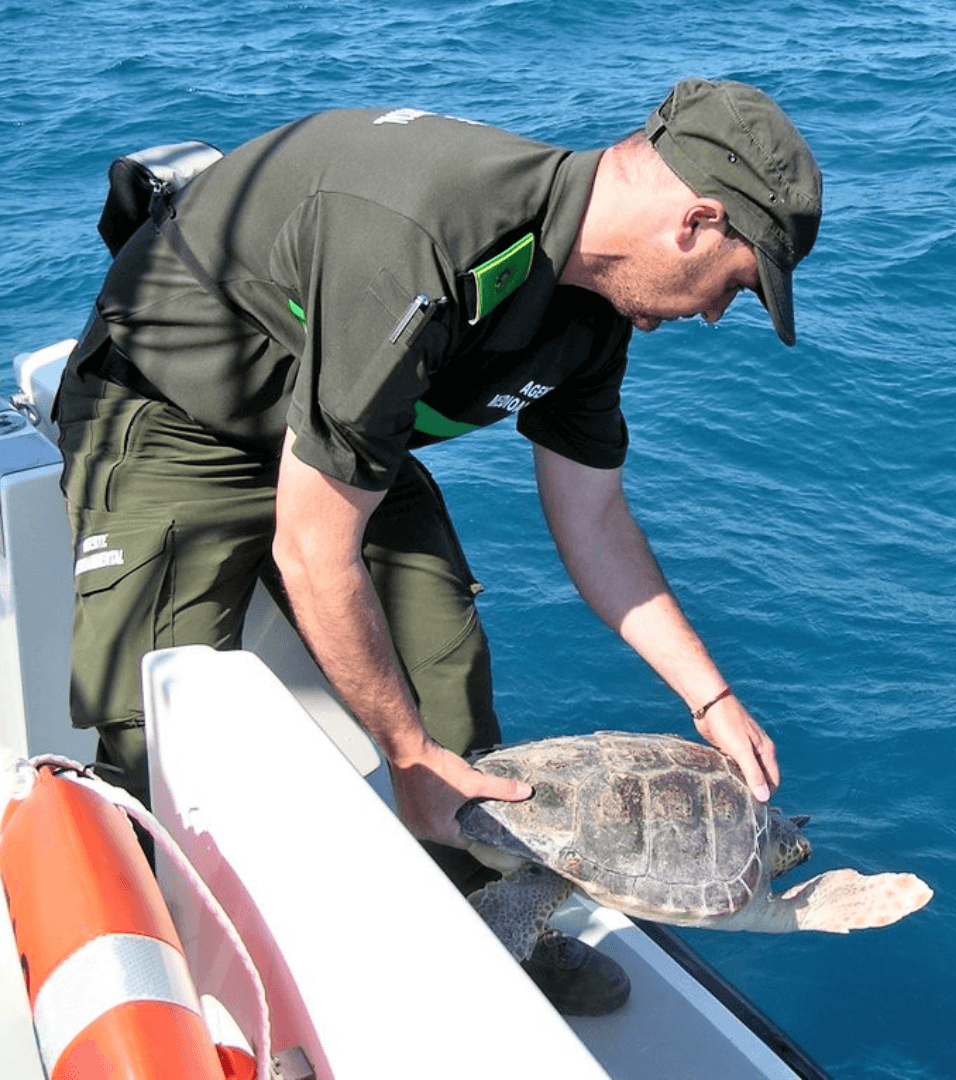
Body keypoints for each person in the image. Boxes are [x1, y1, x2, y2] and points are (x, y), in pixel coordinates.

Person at [56, 77, 822, 1015]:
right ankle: (166, 988)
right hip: (181, 413)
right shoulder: (425, 237)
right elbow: (311, 547)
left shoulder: (592, 315)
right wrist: (403, 753)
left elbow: (595, 520)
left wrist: (712, 696)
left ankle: (494, 924)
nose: (714, 314)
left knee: (447, 671)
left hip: (337, 437)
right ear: (696, 223)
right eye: (739, 286)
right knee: (163, 725)